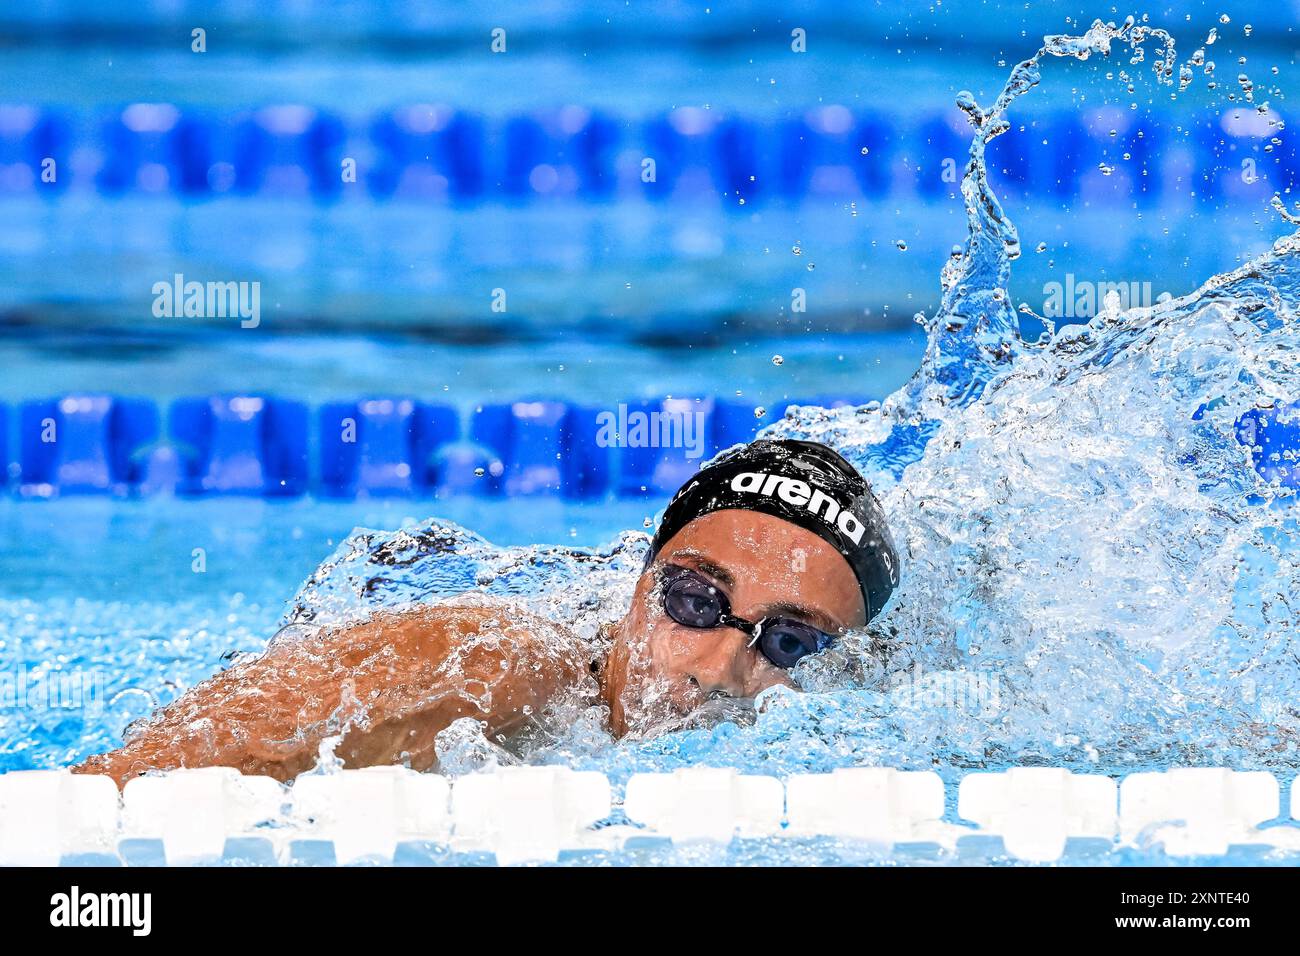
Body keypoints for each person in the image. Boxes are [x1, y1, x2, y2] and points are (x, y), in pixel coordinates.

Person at [74, 439, 899, 785]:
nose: (717, 670)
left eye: (788, 642)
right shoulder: (485, 665)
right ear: (638, 586)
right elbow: (116, 792)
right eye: (693, 601)